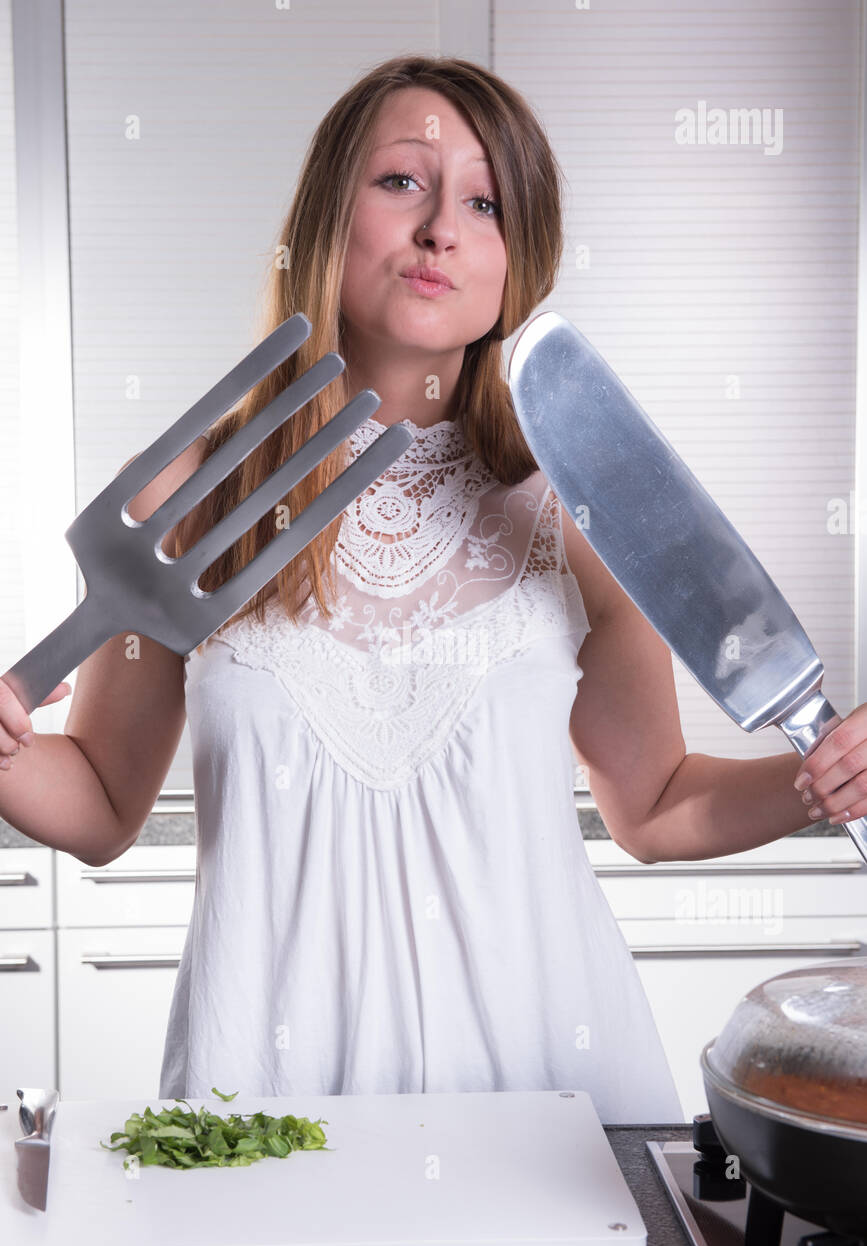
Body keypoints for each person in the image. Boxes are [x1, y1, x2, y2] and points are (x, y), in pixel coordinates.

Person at [2, 56, 866, 1123]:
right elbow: (95, 801)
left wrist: (815, 780)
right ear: (329, 214)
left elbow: (649, 805)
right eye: (402, 181)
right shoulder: (200, 497)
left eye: (484, 201)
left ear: (516, 258)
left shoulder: (579, 504)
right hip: (270, 1100)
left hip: (549, 1097)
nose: (440, 228)